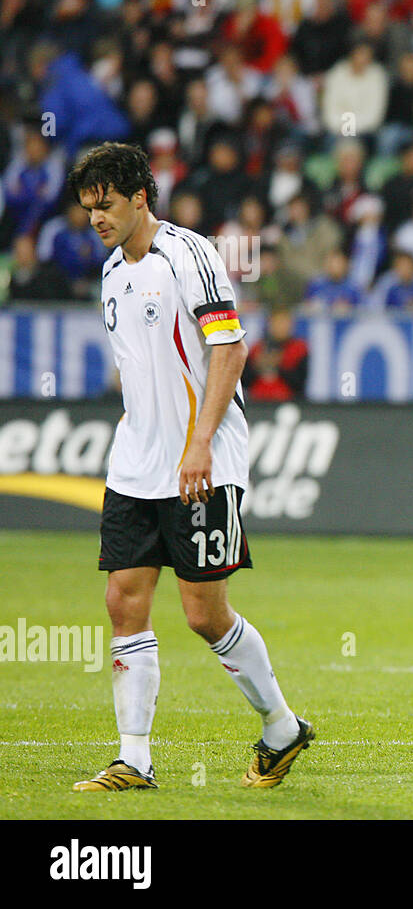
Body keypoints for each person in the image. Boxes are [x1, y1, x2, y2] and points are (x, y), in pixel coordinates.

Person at [67, 142, 313, 791]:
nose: (96, 217)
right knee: (123, 599)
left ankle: (282, 725)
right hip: (135, 461)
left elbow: (228, 350)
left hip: (202, 458)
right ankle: (134, 757)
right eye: (89, 206)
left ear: (140, 196)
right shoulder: (111, 273)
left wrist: (199, 443)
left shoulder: (192, 254)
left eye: (106, 203)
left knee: (204, 613)